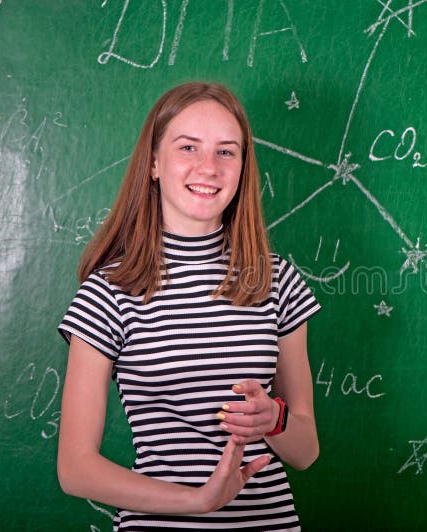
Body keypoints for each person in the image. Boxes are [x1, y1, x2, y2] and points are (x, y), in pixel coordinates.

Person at [57, 81, 321, 531]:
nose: (209, 167)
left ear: (243, 168)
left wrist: (274, 419)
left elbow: (306, 451)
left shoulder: (276, 281)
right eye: (188, 147)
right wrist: (199, 501)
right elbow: (75, 468)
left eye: (226, 152)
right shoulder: (109, 292)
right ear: (155, 163)